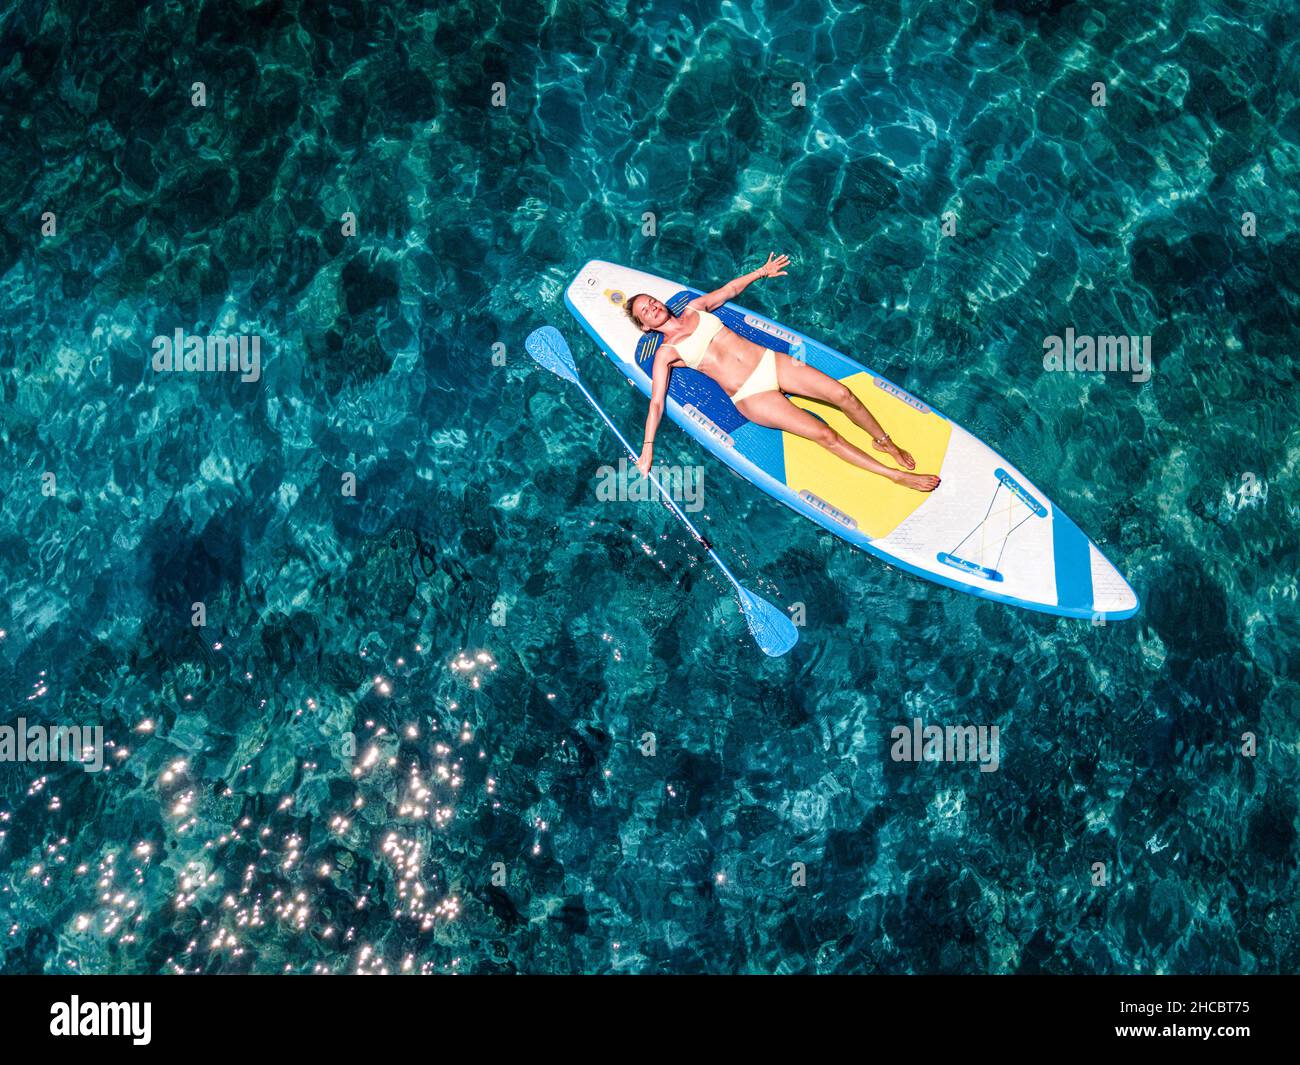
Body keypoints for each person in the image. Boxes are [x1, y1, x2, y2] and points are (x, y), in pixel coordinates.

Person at [625, 254, 940, 492]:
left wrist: (761, 272)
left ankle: (884, 442)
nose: (652, 307)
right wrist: (647, 448)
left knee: (843, 394)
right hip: (751, 396)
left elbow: (728, 290)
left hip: (770, 362)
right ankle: (896, 476)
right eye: (645, 311)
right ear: (645, 326)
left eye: (651, 301)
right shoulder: (666, 352)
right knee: (824, 434)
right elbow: (656, 402)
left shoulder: (695, 307)